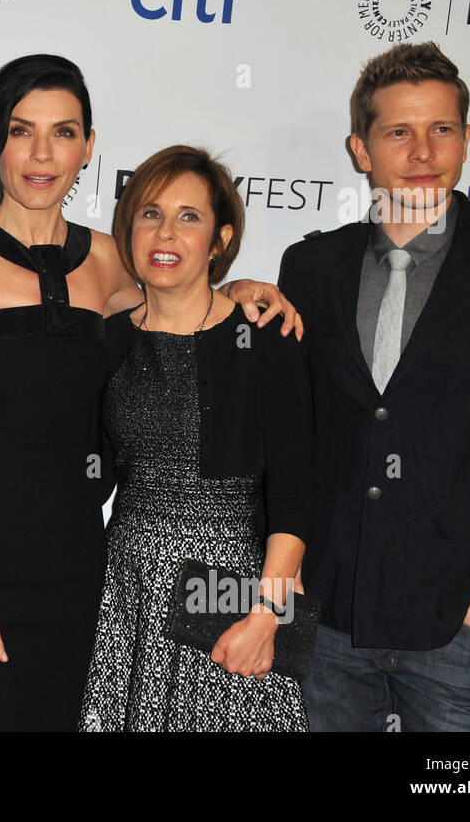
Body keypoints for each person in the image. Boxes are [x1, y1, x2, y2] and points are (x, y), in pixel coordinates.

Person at [0, 54, 301, 731]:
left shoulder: (111, 262)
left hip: (89, 569)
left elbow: (178, 294)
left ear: (88, 146)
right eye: (21, 129)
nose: (40, 153)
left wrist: (238, 289)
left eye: (63, 132)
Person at [278, 42, 470, 731]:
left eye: (441, 129)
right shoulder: (309, 266)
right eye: (399, 132)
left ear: (467, 140)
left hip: (458, 627)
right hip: (323, 619)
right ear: (362, 150)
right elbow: (288, 433)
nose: (422, 151)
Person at [77, 146, 312, 732]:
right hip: (128, 589)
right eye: (150, 213)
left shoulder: (263, 337)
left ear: (219, 239)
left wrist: (268, 614)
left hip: (231, 591)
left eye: (189, 217)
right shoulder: (106, 342)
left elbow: (296, 487)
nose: (166, 232)